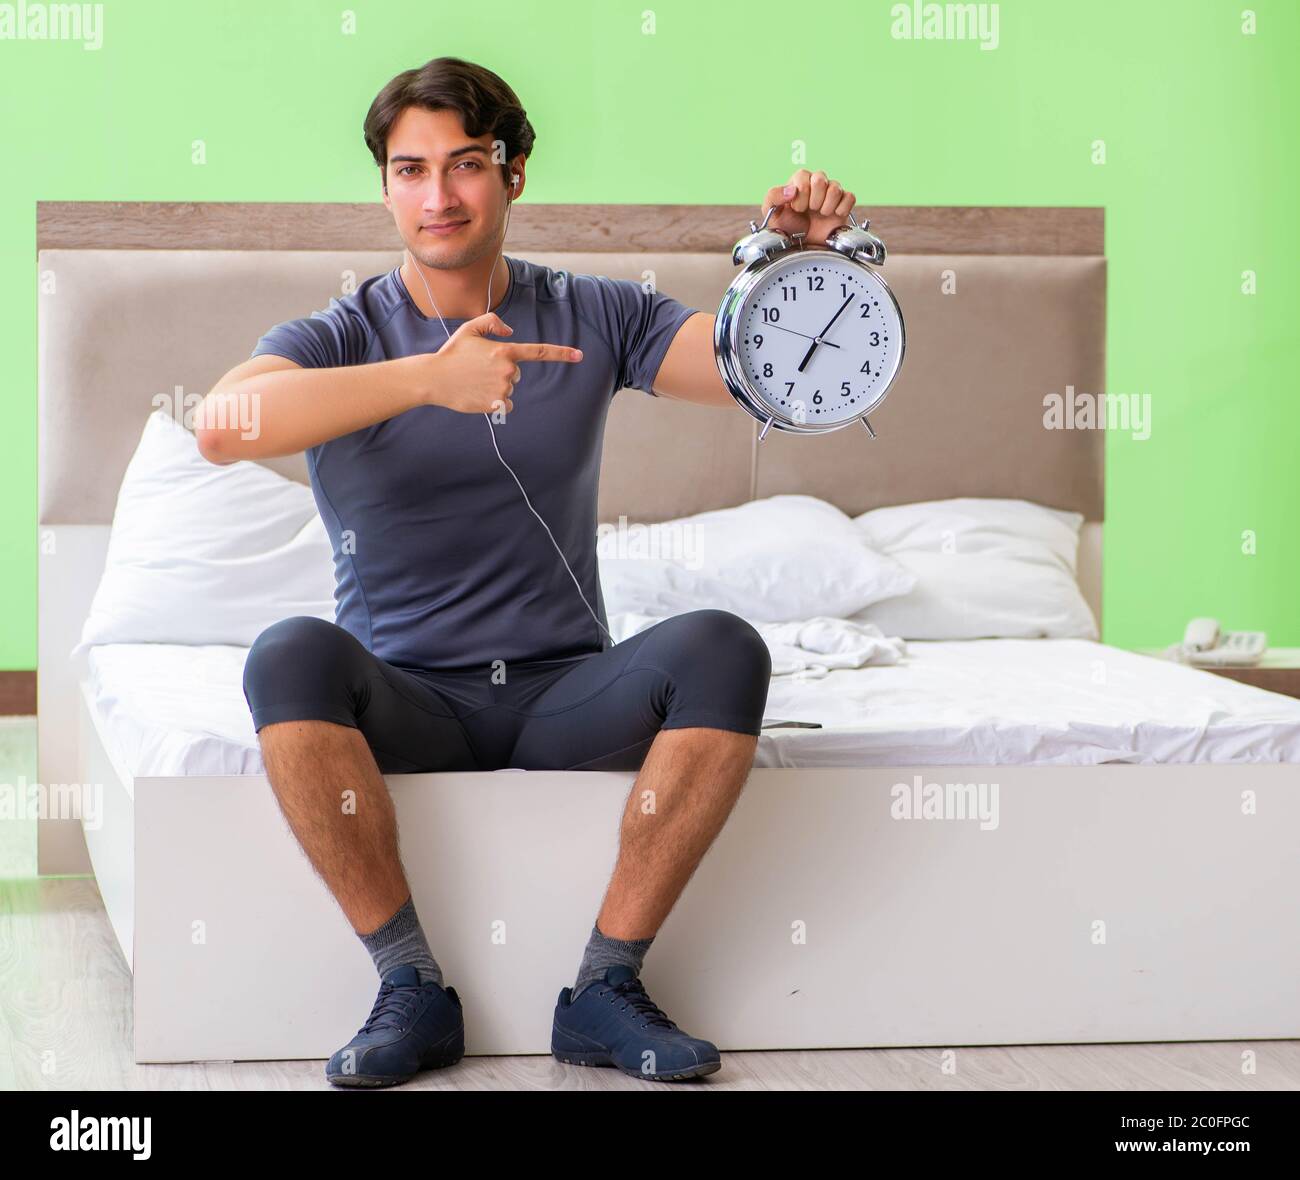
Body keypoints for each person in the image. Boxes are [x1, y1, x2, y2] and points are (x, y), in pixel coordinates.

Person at [195, 55, 858, 1089]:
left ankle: (604, 988)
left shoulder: (595, 313)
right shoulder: (341, 336)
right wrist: (428, 378)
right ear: (385, 189)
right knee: (288, 655)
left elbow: (753, 375)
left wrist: (795, 271)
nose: (437, 194)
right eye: (409, 170)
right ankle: (410, 987)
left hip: (561, 693)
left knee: (723, 645)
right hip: (407, 696)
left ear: (512, 175)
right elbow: (222, 426)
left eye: (465, 164)